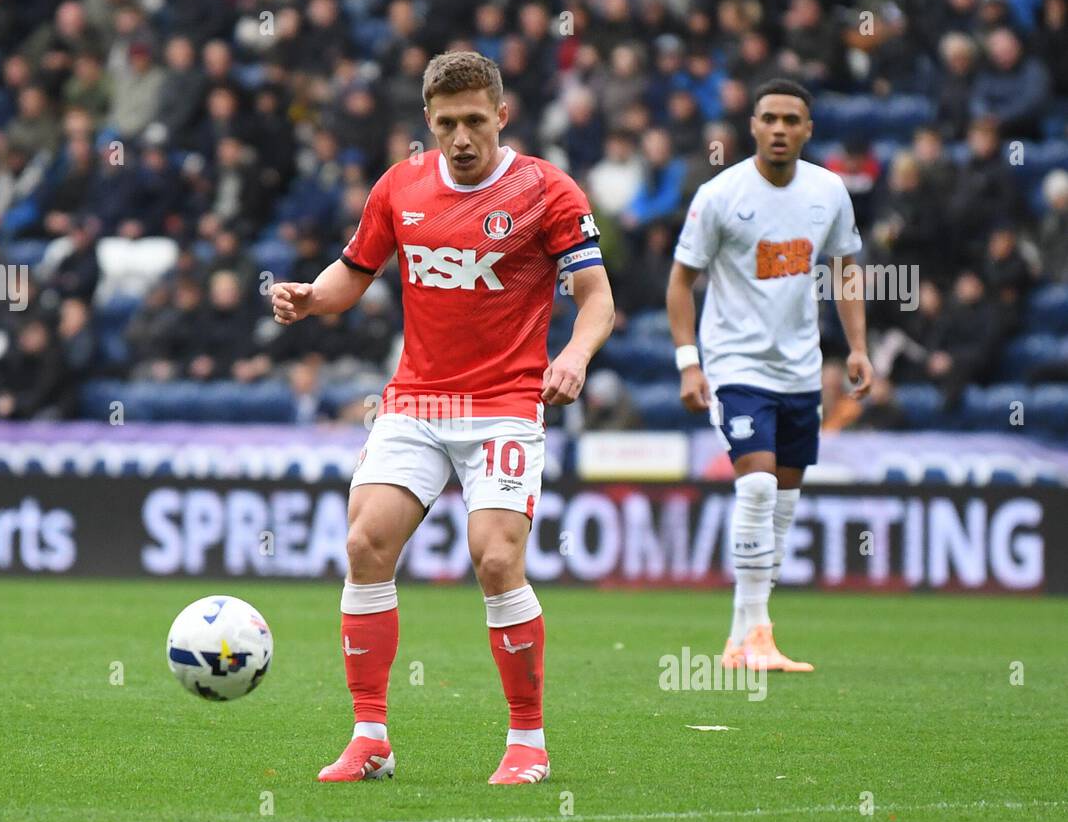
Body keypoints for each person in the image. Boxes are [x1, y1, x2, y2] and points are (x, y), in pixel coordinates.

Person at [269, 51, 615, 784]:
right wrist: (311, 298)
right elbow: (351, 274)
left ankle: (528, 742)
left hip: (504, 406)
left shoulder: (546, 192)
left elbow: (596, 296)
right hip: (418, 403)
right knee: (365, 542)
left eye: (476, 121)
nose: (463, 138)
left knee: (494, 557)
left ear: (502, 115)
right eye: (448, 123)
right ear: (428, 122)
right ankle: (370, 738)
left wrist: (576, 357)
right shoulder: (401, 185)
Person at [666, 78, 871, 673]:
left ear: (808, 130)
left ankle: (742, 638)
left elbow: (845, 270)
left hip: (801, 370)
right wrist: (688, 362)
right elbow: (681, 280)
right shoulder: (721, 194)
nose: (780, 129)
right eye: (770, 118)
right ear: (752, 126)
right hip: (736, 365)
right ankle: (758, 633)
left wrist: (857, 348)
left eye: (792, 120)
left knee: (781, 505)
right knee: (755, 487)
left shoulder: (828, 191)